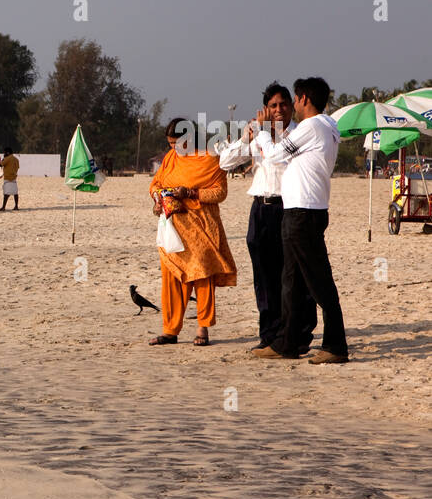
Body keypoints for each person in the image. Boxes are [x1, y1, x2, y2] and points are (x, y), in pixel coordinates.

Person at [253, 77, 348, 364]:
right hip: (300, 210)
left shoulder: (312, 126)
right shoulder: (328, 125)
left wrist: (260, 130)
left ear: (304, 98)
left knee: (318, 281)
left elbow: (273, 155)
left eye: (294, 98)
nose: (292, 105)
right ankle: (287, 342)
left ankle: (335, 346)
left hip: (304, 212)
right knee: (290, 281)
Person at [219, 82, 314, 353]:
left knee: (293, 274)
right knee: (264, 275)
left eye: (284, 104)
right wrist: (248, 137)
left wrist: (261, 135)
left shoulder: (300, 134)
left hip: (291, 208)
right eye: (273, 105)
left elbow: (279, 159)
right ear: (265, 109)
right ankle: (269, 333)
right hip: (261, 208)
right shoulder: (257, 135)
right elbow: (224, 162)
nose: (279, 109)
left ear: (292, 107)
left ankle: (297, 333)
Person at [147, 118, 237, 346]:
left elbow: (219, 193)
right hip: (172, 227)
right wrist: (158, 200)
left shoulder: (210, 159)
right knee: (172, 278)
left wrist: (190, 193)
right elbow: (156, 184)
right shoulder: (170, 159)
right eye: (170, 143)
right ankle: (170, 330)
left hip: (201, 227)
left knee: (202, 276)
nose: (173, 148)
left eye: (176, 143)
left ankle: (202, 329)